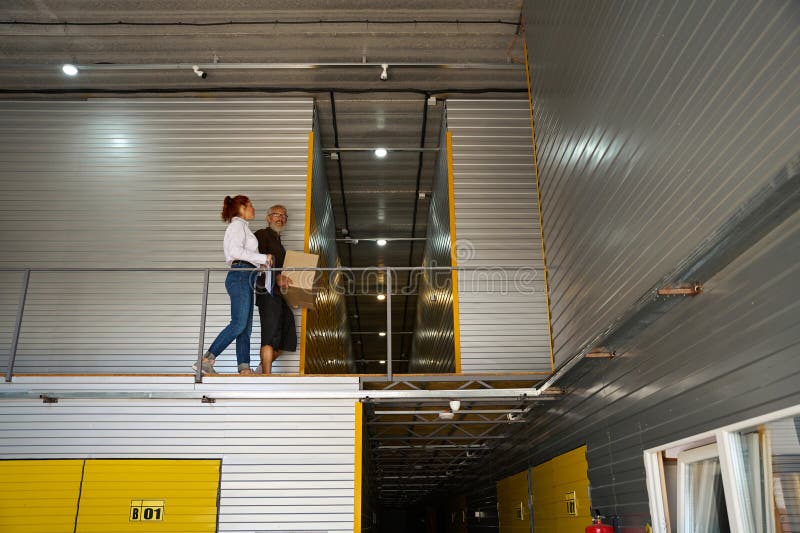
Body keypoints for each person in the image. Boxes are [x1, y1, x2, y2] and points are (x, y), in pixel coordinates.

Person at [194, 195, 271, 375]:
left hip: (246, 276)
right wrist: (263, 257)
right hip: (240, 276)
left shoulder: (243, 227)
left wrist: (261, 265)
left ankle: (244, 368)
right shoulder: (237, 226)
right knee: (238, 324)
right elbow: (236, 252)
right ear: (242, 208)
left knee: (245, 328)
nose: (253, 209)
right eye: (251, 206)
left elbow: (244, 255)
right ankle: (205, 360)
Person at [253, 204, 297, 374]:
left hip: (279, 296)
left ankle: (260, 370)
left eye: (284, 215)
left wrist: (293, 295)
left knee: (287, 338)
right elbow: (255, 261)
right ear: (268, 218)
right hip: (266, 292)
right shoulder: (262, 235)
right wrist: (276, 276)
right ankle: (266, 376)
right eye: (277, 214)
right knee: (269, 336)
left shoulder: (279, 243)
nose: (281, 218)